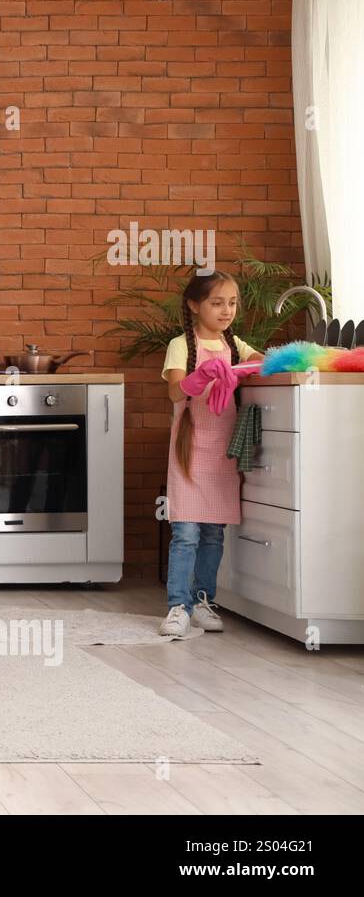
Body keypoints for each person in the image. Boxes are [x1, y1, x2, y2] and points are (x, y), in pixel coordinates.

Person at [159, 271, 263, 637]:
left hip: (223, 451)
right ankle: (177, 606)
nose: (226, 310)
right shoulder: (180, 346)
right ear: (194, 305)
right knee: (185, 531)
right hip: (190, 449)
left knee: (213, 534)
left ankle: (203, 602)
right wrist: (199, 377)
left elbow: (263, 363)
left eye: (232, 302)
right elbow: (175, 393)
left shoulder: (236, 345)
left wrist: (247, 366)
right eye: (217, 303)